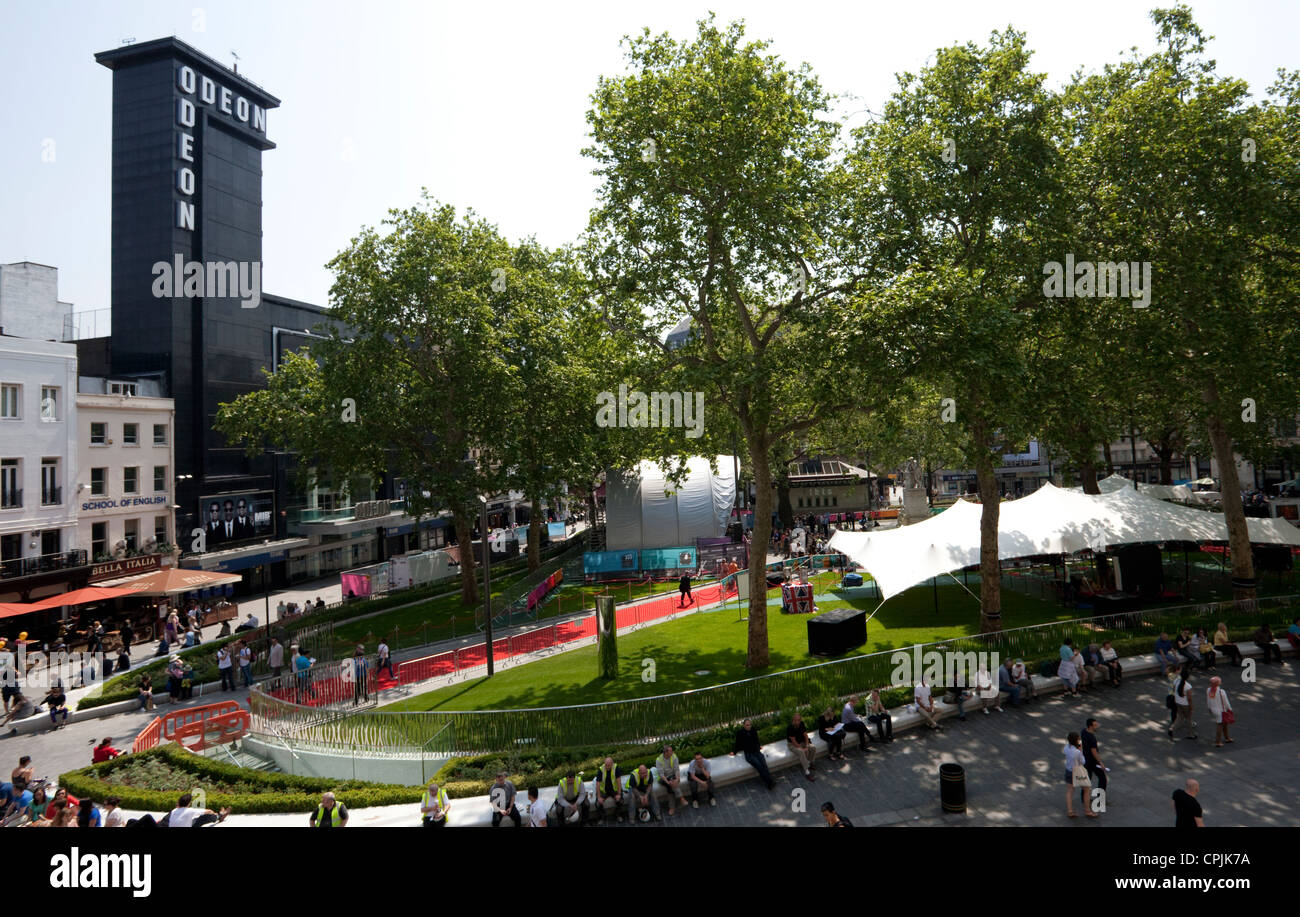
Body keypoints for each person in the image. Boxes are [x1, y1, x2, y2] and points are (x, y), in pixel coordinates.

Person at [731, 718, 776, 789]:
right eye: (747, 725)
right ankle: (770, 782)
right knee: (759, 766)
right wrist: (734, 752)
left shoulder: (753, 730)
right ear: (744, 726)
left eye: (750, 725)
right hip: (749, 754)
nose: (749, 726)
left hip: (757, 751)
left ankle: (769, 781)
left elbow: (756, 739)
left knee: (764, 764)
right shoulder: (740, 733)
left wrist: (759, 746)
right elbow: (738, 744)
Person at [1063, 732, 1096, 818]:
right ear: (1076, 741)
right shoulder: (1077, 752)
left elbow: (1065, 753)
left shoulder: (1066, 747)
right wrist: (1081, 750)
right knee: (1087, 789)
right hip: (1077, 772)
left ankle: (1070, 811)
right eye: (1078, 739)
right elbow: (1083, 761)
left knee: (1070, 791)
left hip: (1068, 771)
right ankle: (1087, 811)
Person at [654, 745, 686, 815]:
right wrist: (668, 782)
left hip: (673, 776)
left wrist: (677, 779)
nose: (673, 752)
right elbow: (661, 775)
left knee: (671, 786)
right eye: (671, 751)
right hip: (663, 778)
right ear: (665, 753)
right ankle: (681, 798)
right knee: (670, 785)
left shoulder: (674, 756)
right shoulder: (659, 760)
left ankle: (672, 808)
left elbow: (677, 769)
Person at [1081, 717, 1108, 797]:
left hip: (1085, 760)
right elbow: (1094, 752)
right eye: (1095, 725)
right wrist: (1100, 763)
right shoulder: (1092, 738)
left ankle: (1084, 797)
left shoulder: (1083, 731)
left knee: (1088, 779)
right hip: (1093, 762)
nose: (1097, 726)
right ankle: (1100, 799)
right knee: (1102, 778)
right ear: (1090, 726)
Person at [786, 712, 817, 781]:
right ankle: (807, 772)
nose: (797, 722)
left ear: (800, 720)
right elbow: (793, 741)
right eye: (795, 720)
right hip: (792, 744)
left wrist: (806, 745)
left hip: (802, 742)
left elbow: (805, 735)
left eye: (798, 720)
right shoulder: (790, 727)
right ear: (793, 720)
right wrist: (802, 749)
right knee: (801, 752)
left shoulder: (802, 724)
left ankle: (810, 762)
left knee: (812, 748)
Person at [1205, 676, 1234, 747]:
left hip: (1213, 709)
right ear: (1218, 684)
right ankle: (1218, 741)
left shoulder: (1208, 690)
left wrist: (1209, 708)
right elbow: (1226, 702)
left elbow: (1208, 700)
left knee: (1224, 724)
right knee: (1220, 725)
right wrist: (1229, 709)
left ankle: (1227, 738)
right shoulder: (1221, 692)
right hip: (1220, 711)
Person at [1170, 663, 1196, 741]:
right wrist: (1191, 706)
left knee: (1180, 717)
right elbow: (1189, 699)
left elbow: (1174, 690)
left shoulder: (1176, 681)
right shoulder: (1188, 686)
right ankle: (1190, 734)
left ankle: (1172, 729)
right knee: (1188, 718)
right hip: (1185, 704)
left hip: (1177, 702)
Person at [594, 757, 624, 822]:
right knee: (597, 803)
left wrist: (619, 794)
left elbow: (619, 781)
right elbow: (598, 784)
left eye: (608, 765)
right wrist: (599, 797)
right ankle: (602, 817)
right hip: (604, 791)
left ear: (612, 764)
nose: (607, 767)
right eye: (606, 765)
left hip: (614, 790)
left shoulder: (616, 768)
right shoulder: (601, 770)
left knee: (620, 801)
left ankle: (618, 815)